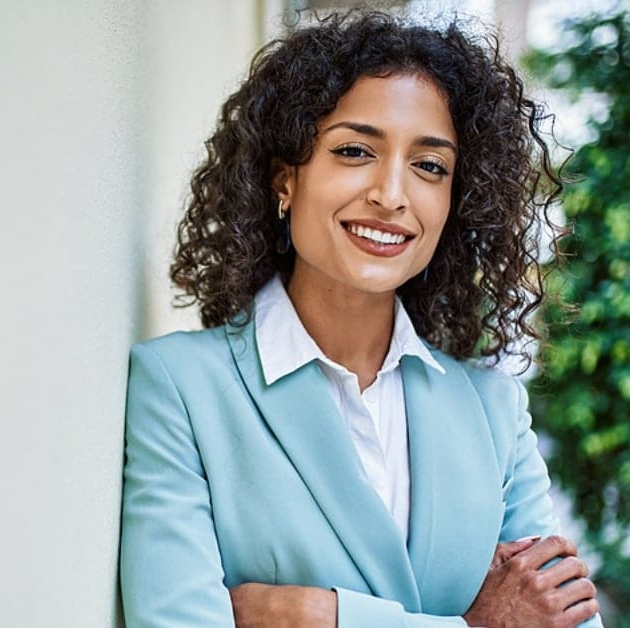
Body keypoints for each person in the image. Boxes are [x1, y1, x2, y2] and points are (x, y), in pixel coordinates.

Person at [120, 11, 604, 628]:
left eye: (430, 166)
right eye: (355, 151)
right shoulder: (181, 386)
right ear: (285, 177)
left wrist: (318, 616)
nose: (391, 194)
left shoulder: (493, 411)